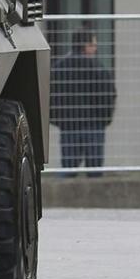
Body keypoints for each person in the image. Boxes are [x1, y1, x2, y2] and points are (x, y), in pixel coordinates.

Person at [51, 29, 116, 177]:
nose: (95, 48)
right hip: (94, 125)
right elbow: (109, 95)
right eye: (93, 45)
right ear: (85, 46)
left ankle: (64, 197)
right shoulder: (99, 69)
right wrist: (105, 119)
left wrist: (57, 120)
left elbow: (50, 96)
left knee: (68, 169)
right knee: (94, 171)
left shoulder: (59, 68)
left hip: (68, 125)